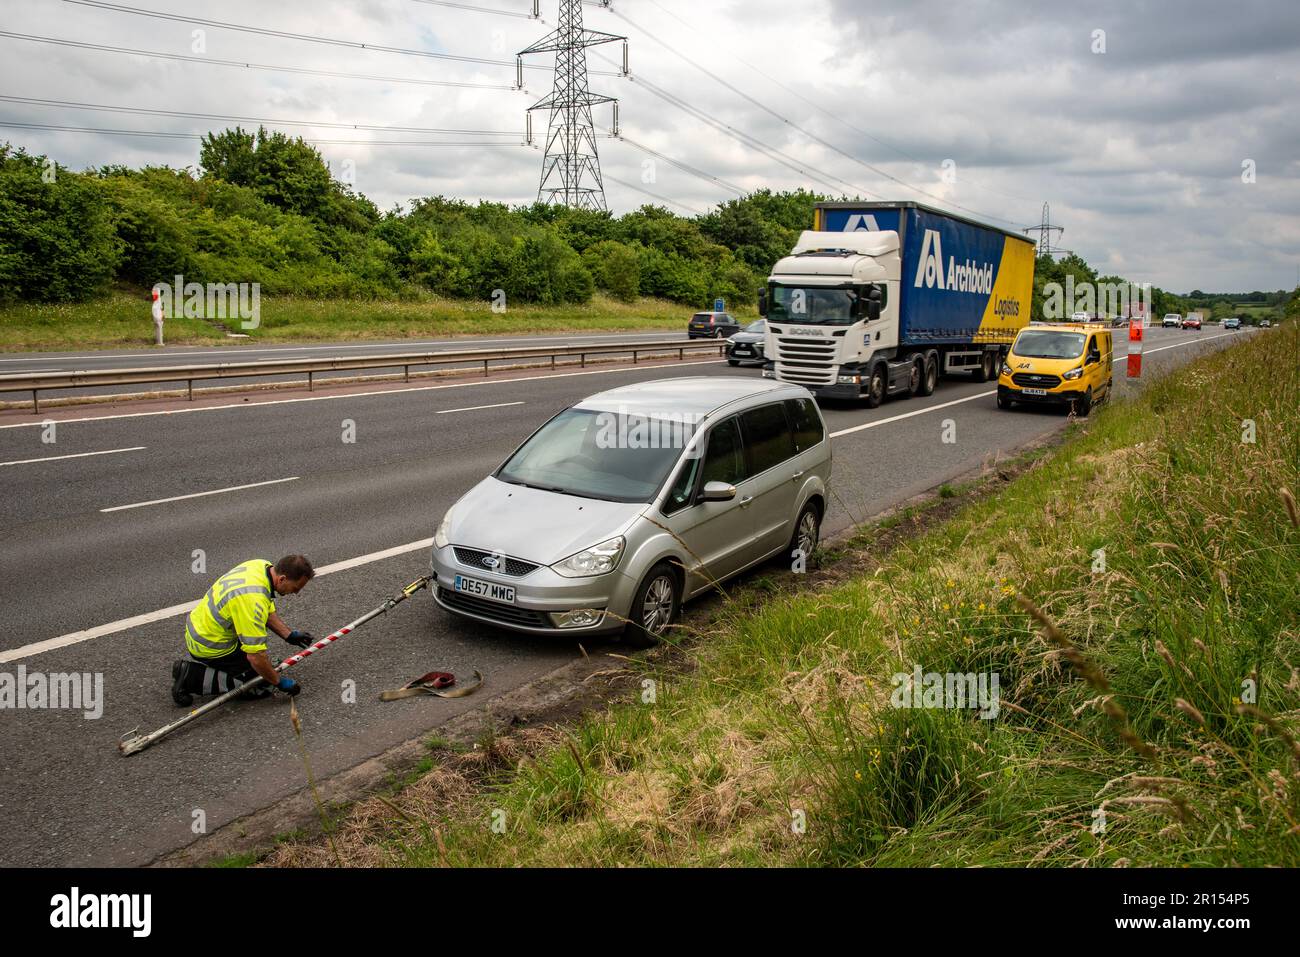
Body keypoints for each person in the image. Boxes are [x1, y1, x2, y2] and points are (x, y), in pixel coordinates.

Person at [170, 555, 316, 707]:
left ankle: (237, 670)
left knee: (263, 670)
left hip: (201, 626)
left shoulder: (261, 566)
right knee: (260, 685)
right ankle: (190, 676)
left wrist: (288, 635)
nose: (296, 593)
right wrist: (278, 682)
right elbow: (255, 656)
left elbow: (265, 609)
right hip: (209, 644)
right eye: (295, 588)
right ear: (282, 579)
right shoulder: (252, 600)